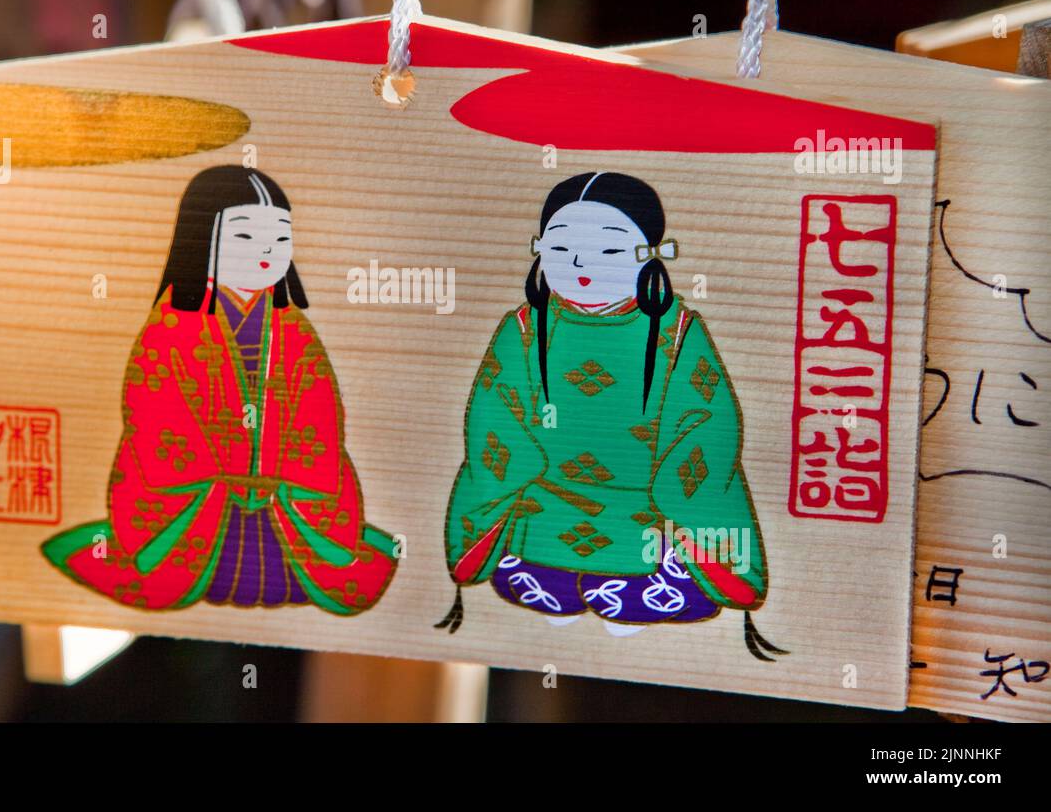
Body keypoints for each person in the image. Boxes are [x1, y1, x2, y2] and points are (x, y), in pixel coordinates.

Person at [440, 172, 780, 658]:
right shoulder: (522, 328)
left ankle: (619, 583)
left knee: (648, 580)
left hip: (648, 512)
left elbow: (707, 422)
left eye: (609, 250)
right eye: (560, 249)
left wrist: (674, 497)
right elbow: (493, 428)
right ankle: (571, 579)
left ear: (650, 254)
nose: (580, 264)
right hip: (544, 505)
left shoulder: (677, 333)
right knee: (530, 579)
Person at [43, 165, 396, 614]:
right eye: (246, 238)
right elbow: (154, 411)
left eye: (281, 239)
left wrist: (280, 476)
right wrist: (222, 476)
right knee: (185, 558)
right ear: (202, 240)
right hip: (199, 497)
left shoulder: (294, 330)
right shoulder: (170, 325)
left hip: (283, 494)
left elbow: (319, 411)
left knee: (329, 556)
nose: (268, 252)